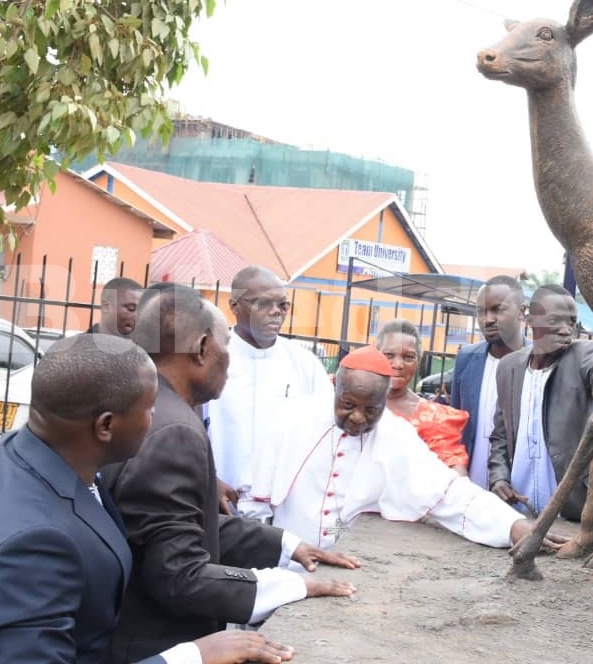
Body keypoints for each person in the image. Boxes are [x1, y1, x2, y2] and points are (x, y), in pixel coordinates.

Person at [0, 333, 297, 664]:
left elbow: (153, 523)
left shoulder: (27, 451)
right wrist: (194, 656)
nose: (156, 414)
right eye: (149, 407)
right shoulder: (34, 545)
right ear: (106, 426)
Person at [101, 284, 359, 663]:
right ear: (203, 347)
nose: (230, 360)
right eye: (226, 345)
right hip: (156, 643)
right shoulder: (175, 431)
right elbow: (178, 574)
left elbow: (181, 523)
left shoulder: (149, 406)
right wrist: (287, 585)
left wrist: (288, 545)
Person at [251, 345, 564, 552]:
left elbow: (451, 493)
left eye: (371, 409)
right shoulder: (294, 420)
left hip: (350, 563)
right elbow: (256, 498)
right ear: (336, 388)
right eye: (347, 405)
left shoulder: (395, 434)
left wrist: (511, 525)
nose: (358, 417)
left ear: (384, 401)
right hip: (285, 555)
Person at [208, 266, 334, 518]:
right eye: (263, 303)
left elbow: (326, 433)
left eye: (283, 305)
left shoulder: (304, 364)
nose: (276, 311)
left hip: (287, 507)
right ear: (234, 306)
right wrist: (208, 480)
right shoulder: (211, 358)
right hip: (220, 502)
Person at [488, 284, 593, 522]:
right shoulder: (509, 367)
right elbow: (500, 436)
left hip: (573, 513)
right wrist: (498, 478)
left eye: (571, 322)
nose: (566, 329)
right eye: (555, 320)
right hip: (519, 511)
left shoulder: (583, 356)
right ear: (530, 320)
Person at [451, 275, 526, 489]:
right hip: (470, 487)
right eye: (480, 311)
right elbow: (456, 424)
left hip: (519, 490)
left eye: (497, 310)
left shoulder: (539, 361)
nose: (487, 319)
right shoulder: (466, 358)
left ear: (521, 311)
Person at [376, 318, 470, 474]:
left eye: (408, 357)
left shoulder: (435, 418)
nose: (398, 364)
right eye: (389, 355)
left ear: (418, 361)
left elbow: (455, 470)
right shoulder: (351, 403)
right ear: (376, 354)